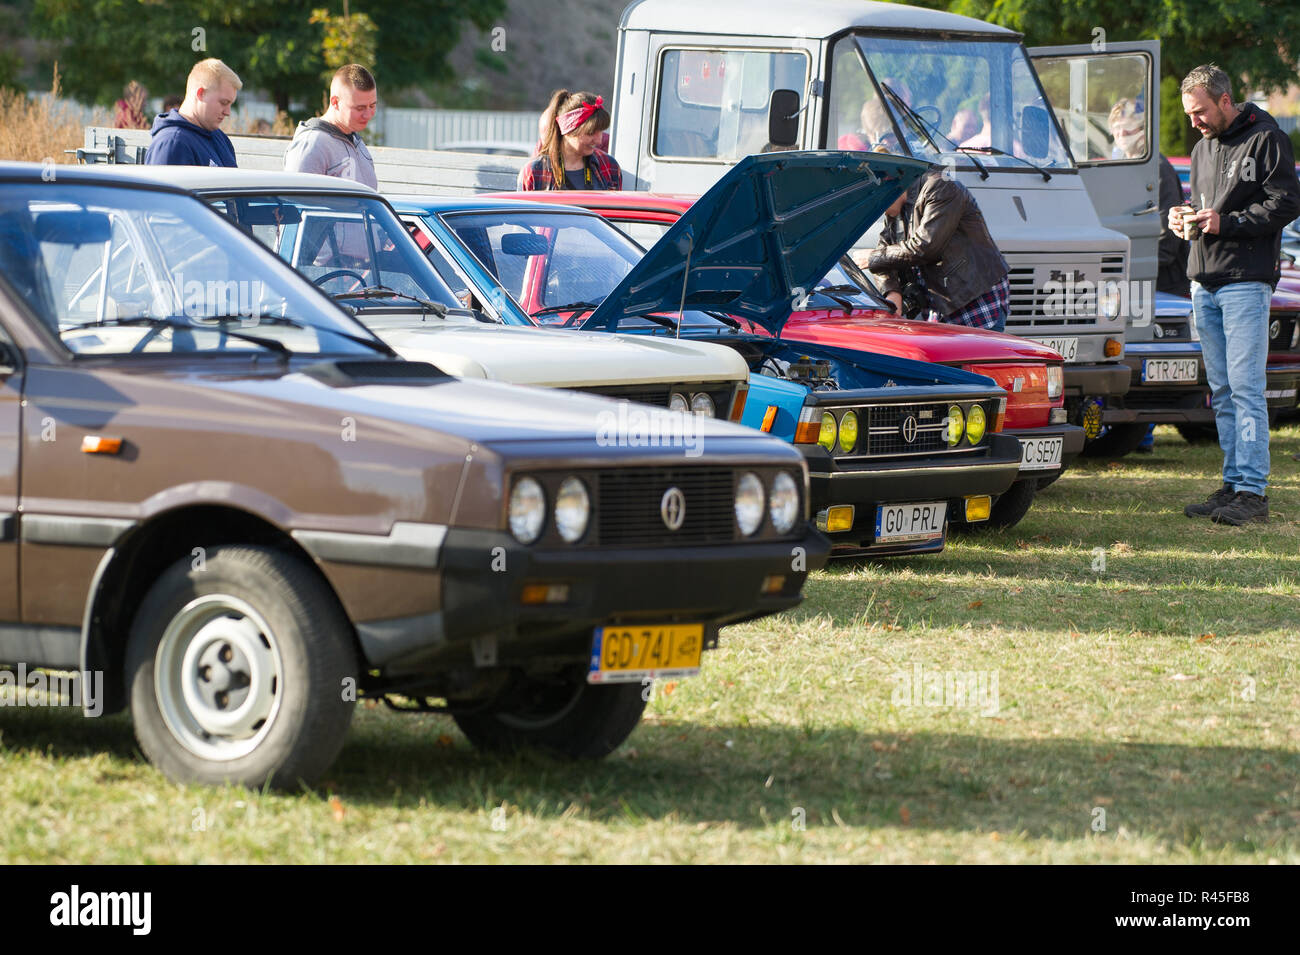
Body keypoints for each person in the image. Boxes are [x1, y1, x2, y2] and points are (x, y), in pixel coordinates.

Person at [1174, 64, 1300, 525]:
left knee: (1246, 389)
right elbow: (1207, 208)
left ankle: (1253, 492)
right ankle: (1232, 484)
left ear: (1225, 101)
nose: (1195, 122)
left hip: (1246, 281)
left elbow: (1286, 202)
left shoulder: (1268, 139)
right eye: (1191, 114)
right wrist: (1184, 218)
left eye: (1201, 112)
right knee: (1223, 390)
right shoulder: (1203, 147)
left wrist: (1227, 223)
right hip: (1203, 278)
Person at [858, 164, 1011, 331]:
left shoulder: (940, 185)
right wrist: (892, 292)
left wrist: (872, 257)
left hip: (972, 297)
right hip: (940, 302)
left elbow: (925, 247)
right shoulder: (894, 209)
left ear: (889, 182)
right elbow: (884, 252)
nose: (876, 210)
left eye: (873, 199)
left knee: (978, 355)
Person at [284, 64, 378, 188]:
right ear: (335, 102)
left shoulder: (356, 141)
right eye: (359, 108)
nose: (368, 115)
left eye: (372, 105)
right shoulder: (312, 144)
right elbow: (295, 200)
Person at [518, 90, 621, 191]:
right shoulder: (536, 171)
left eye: (601, 131)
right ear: (567, 130)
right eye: (590, 133)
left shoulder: (609, 166)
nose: (599, 141)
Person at [144, 59, 240, 167]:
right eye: (223, 102)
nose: (228, 112)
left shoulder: (220, 138)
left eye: (230, 104)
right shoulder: (173, 144)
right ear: (201, 93)